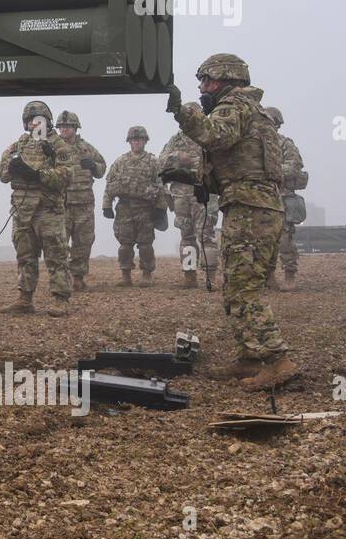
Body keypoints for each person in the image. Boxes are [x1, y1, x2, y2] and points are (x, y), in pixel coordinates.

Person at [166, 54, 298, 389]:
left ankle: (277, 361)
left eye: (206, 80)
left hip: (250, 209)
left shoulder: (234, 105)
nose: (201, 87)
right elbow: (240, 161)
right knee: (236, 288)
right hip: (255, 206)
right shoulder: (253, 111)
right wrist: (197, 179)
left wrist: (182, 111)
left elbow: (214, 135)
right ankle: (250, 358)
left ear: (227, 80)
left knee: (243, 291)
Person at [0, 100, 72, 316]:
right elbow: (3, 174)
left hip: (48, 210)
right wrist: (11, 166)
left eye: (39, 120)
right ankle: (25, 298)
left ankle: (61, 299)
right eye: (31, 121)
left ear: (48, 122)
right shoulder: (19, 145)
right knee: (25, 255)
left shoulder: (58, 147)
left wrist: (38, 175)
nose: (34, 124)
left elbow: (66, 177)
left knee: (56, 255)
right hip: (22, 210)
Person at [101, 126, 164, 286]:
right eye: (133, 140)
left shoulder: (153, 162)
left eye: (140, 139)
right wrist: (106, 205)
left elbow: (161, 185)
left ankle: (146, 274)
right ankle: (125, 276)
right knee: (124, 245)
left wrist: (160, 208)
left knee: (145, 244)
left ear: (145, 141)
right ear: (129, 142)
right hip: (124, 208)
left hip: (145, 208)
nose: (136, 142)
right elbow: (110, 184)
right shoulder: (120, 162)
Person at [159, 130, 221, 289]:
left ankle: (211, 278)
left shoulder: (209, 135)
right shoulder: (176, 139)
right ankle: (190, 276)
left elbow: (222, 159)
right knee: (186, 237)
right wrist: (177, 156)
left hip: (203, 194)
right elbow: (162, 160)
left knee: (206, 235)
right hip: (181, 195)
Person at [55, 110, 106, 290]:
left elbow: (102, 168)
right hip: (61, 204)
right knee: (59, 243)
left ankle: (77, 277)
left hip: (84, 204)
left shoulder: (87, 148)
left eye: (68, 127)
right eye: (61, 127)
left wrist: (94, 166)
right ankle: (60, 280)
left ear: (75, 128)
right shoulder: (52, 148)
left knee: (83, 242)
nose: (64, 130)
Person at [265, 106, 307, 291]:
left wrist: (270, 172)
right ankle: (269, 276)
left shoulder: (284, 144)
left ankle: (290, 274)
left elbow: (294, 165)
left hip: (281, 197)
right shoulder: (255, 143)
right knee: (265, 239)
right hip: (262, 196)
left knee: (284, 238)